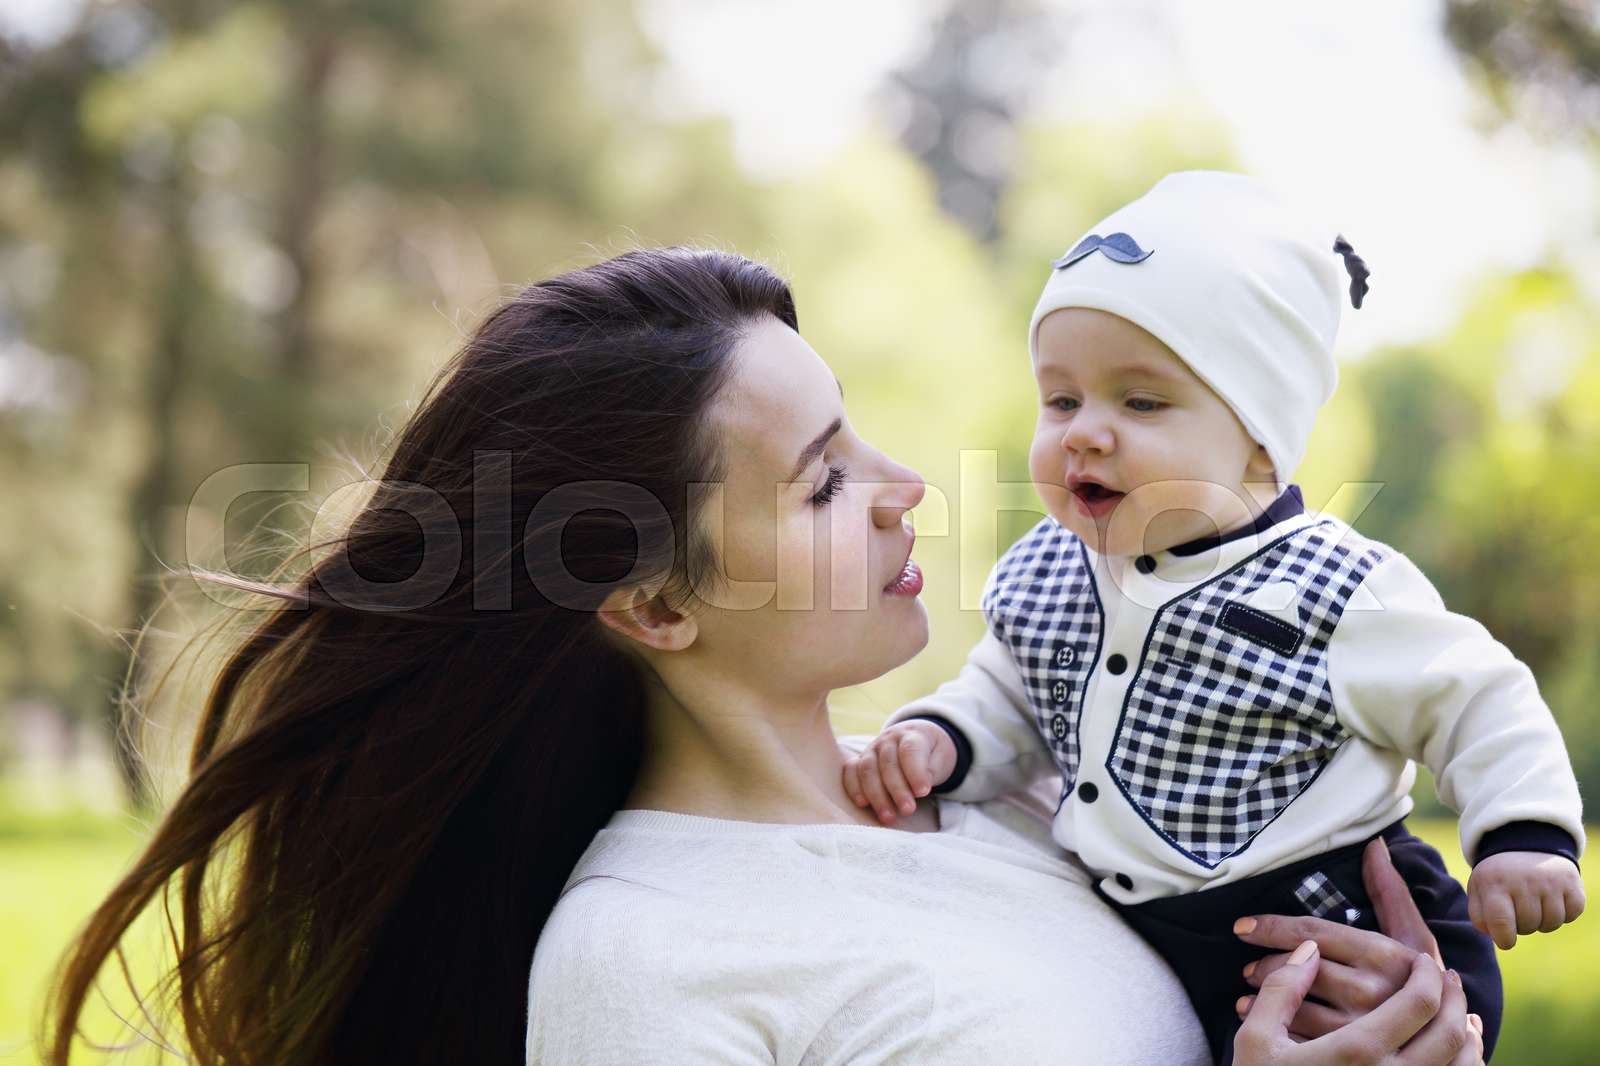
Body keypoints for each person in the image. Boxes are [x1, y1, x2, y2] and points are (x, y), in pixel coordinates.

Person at [44, 249, 1480, 1066]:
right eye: (820, 480)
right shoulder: (644, 962)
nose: (910, 484)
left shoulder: (1026, 801)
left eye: (859, 433)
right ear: (655, 605)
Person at [842, 172, 1585, 1063]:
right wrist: (946, 736)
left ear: (1262, 441)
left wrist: (1522, 834)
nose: (1084, 432)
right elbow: (1014, 685)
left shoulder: (1338, 587)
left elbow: (1476, 698)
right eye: (1062, 399)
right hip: (1170, 936)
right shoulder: (1049, 563)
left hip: (1339, 916)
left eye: (1141, 401)